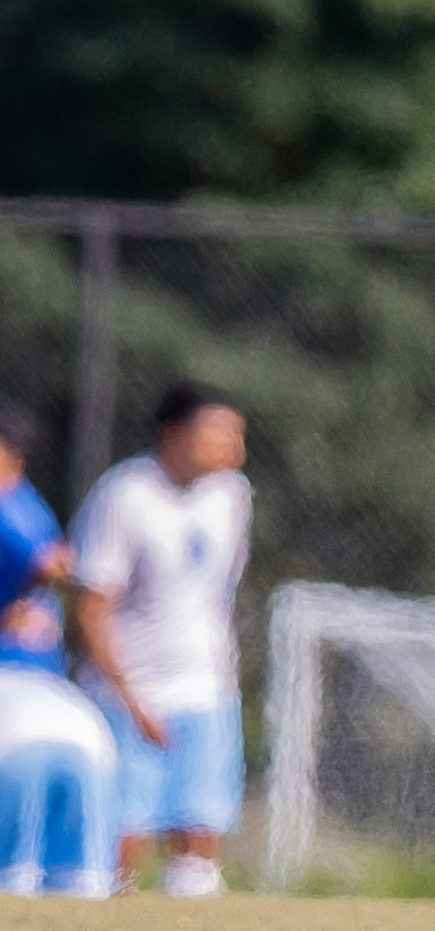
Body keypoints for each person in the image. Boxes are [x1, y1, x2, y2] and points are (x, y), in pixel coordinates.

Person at [72, 382, 251, 898]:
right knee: (123, 843)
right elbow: (92, 608)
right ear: (173, 433)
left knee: (200, 835)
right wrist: (132, 701)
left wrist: (221, 677)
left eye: (237, 437)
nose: (233, 449)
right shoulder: (125, 494)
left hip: (205, 691)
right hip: (132, 694)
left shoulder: (232, 496)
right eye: (218, 434)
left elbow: (219, 596)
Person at [0, 401, 116, 899]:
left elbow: (59, 568)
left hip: (19, 699)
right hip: (59, 708)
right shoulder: (31, 505)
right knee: (67, 879)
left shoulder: (13, 511)